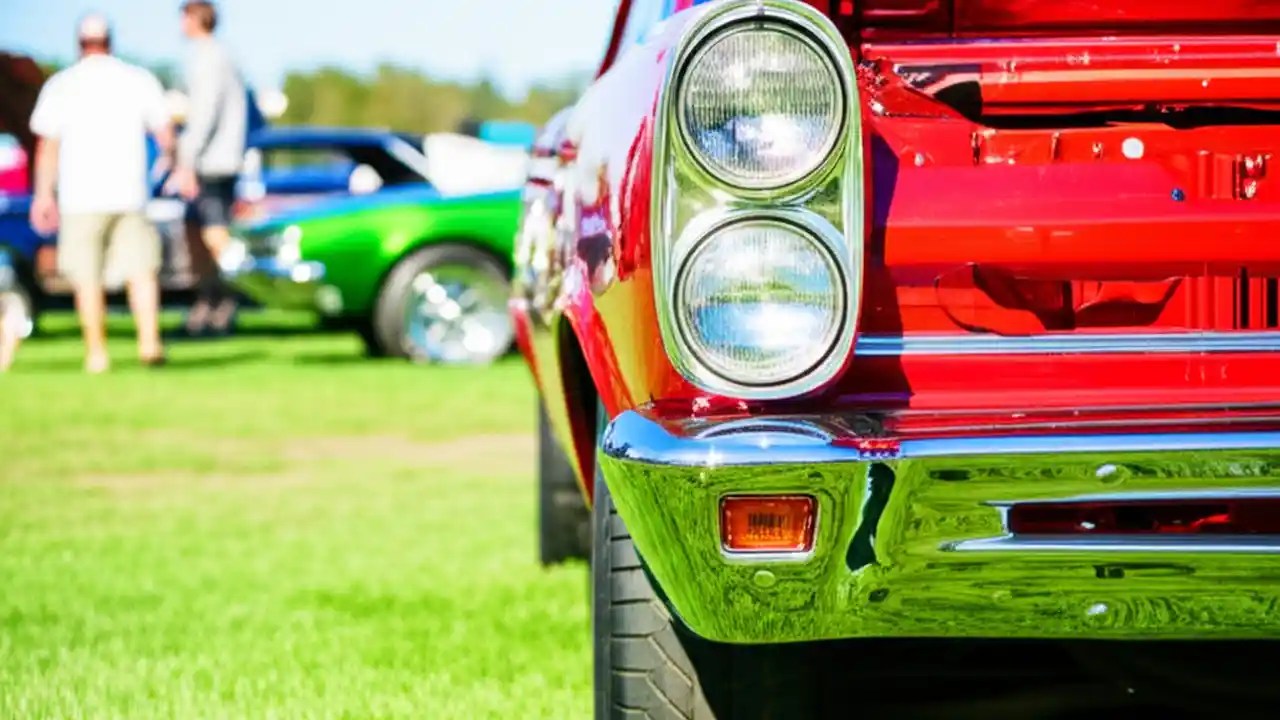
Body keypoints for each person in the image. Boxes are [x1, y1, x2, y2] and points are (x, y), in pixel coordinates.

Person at [28, 13, 171, 373]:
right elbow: (166, 135)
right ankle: (149, 342)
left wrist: (43, 195)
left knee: (86, 277)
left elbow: (48, 147)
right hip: (131, 193)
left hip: (80, 197)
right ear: (111, 41)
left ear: (80, 43)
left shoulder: (62, 84)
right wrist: (167, 167)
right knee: (142, 272)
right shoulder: (137, 79)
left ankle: (97, 353)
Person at [173, 0, 246, 336]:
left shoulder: (209, 57)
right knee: (198, 234)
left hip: (213, 162)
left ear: (195, 19)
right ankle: (207, 302)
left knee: (215, 234)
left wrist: (186, 160)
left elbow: (204, 115)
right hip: (216, 159)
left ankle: (227, 301)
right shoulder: (219, 55)